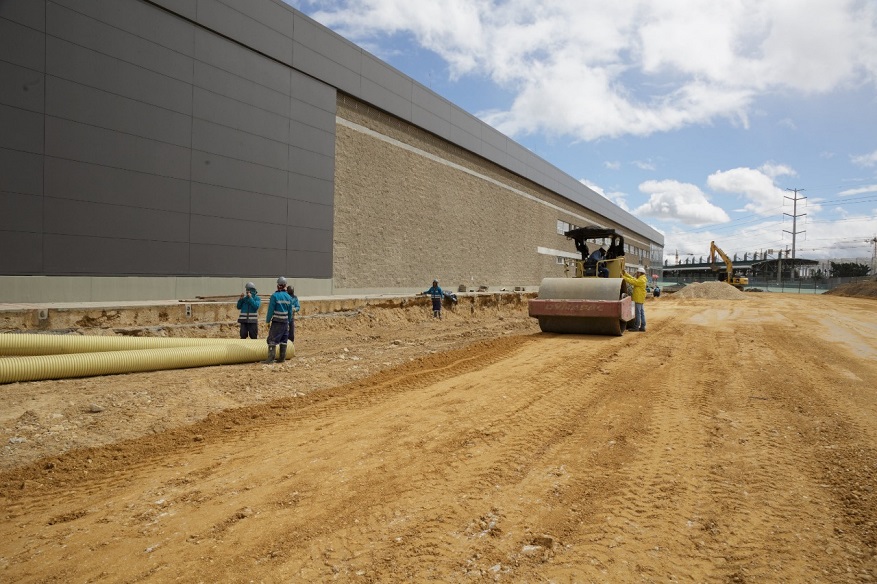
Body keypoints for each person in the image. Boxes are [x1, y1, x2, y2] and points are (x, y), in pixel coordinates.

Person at [263, 276, 293, 363]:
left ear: (278, 285)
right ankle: (282, 358)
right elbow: (290, 312)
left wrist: (267, 321)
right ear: (285, 286)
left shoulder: (274, 296)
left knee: (272, 340)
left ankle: (270, 359)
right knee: (283, 340)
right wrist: (288, 321)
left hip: (277, 322)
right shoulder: (288, 297)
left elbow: (270, 310)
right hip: (285, 322)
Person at [621, 267, 648, 332]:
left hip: (638, 298)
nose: (636, 274)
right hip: (640, 298)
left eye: (637, 273)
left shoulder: (641, 280)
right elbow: (633, 278)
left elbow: (633, 281)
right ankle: (642, 326)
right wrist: (625, 274)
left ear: (640, 273)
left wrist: (623, 277)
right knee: (641, 313)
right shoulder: (642, 278)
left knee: (638, 313)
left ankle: (636, 327)